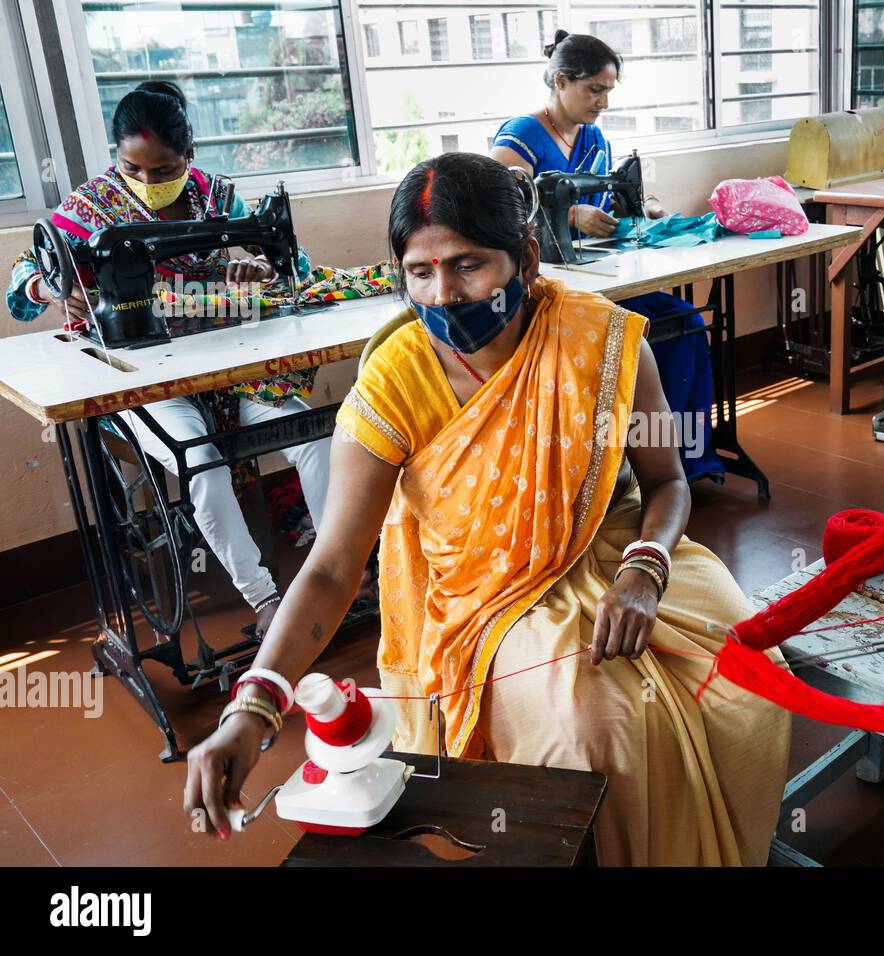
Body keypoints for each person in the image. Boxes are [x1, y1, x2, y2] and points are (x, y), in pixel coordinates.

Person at [184, 152, 791, 865]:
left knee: (752, 680)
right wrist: (253, 708)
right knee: (598, 724)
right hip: (488, 595)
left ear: (525, 259)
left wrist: (646, 570)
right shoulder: (395, 382)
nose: (443, 294)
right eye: (419, 271)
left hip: (628, 553)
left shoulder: (601, 341)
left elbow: (668, 483)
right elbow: (332, 567)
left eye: (468, 265)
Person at [6, 80, 344, 637]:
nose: (146, 183)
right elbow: (20, 291)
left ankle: (332, 575)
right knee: (202, 464)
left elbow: (294, 263)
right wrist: (50, 286)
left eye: (163, 171)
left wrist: (263, 268)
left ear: (189, 156)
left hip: (226, 365)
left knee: (319, 437)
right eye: (131, 169)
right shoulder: (88, 208)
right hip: (143, 375)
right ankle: (264, 600)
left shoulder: (217, 195)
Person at [489, 29, 724, 483]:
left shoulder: (596, 138)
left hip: (599, 280)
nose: (603, 102)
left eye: (608, 91)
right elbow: (500, 208)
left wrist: (644, 204)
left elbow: (612, 198)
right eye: (594, 89)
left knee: (686, 323)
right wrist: (569, 214)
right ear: (560, 81)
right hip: (546, 291)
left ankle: (685, 461)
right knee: (642, 334)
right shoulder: (520, 136)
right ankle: (627, 470)